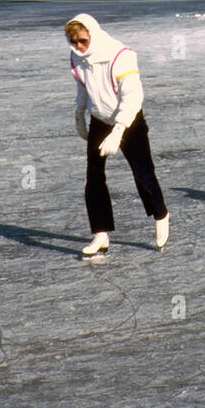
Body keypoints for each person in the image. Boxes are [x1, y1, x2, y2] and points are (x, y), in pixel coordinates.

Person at [65, 13, 169, 257]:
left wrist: (120, 129)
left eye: (83, 41)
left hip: (128, 120)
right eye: (74, 42)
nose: (79, 46)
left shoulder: (120, 56)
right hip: (100, 119)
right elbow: (83, 88)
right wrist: (80, 114)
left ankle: (161, 214)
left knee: (142, 173)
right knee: (94, 176)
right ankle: (100, 234)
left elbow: (133, 97)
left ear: (93, 34)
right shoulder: (77, 58)